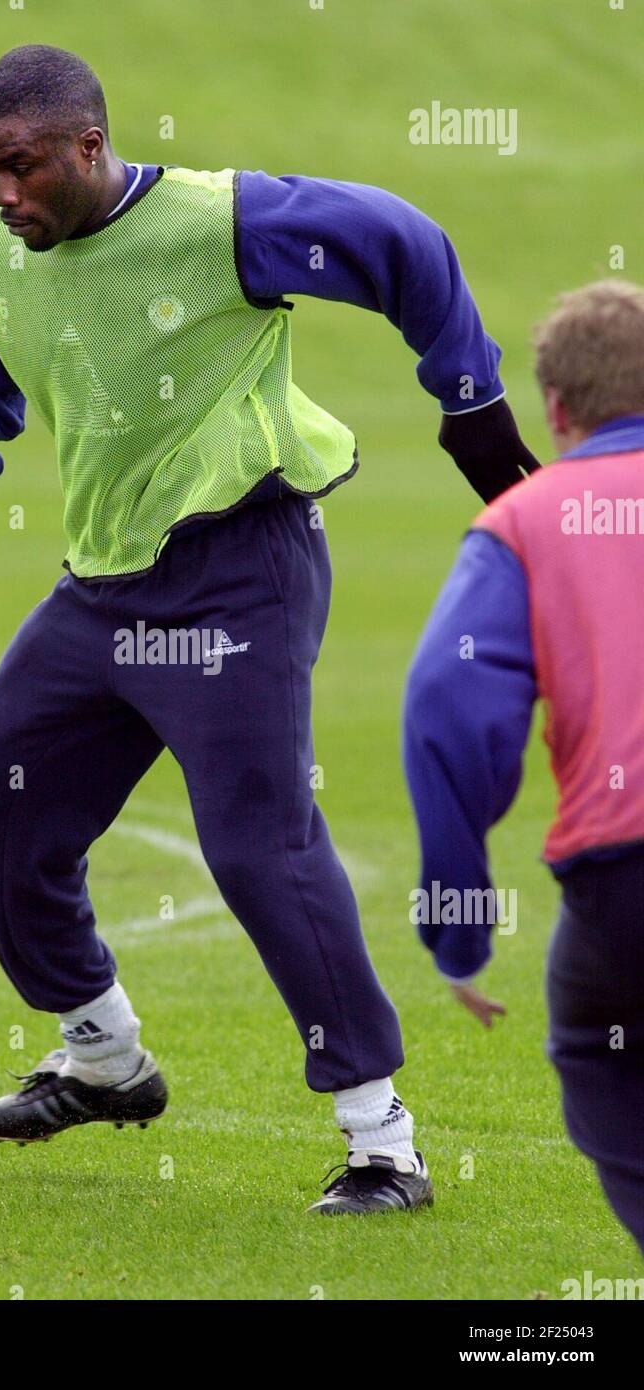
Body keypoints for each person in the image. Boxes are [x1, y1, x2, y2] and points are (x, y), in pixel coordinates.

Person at [0, 44, 539, 1217]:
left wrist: (471, 399)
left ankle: (381, 1141)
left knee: (256, 845)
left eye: (24, 167)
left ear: (91, 148)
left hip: (239, 574)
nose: (4, 194)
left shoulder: (222, 222)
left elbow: (404, 244)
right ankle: (103, 1057)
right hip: (102, 587)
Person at [403, 279, 644, 1251]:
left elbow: (447, 715)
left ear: (553, 407)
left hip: (624, 875)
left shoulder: (527, 520)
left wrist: (459, 929)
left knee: (603, 1053)